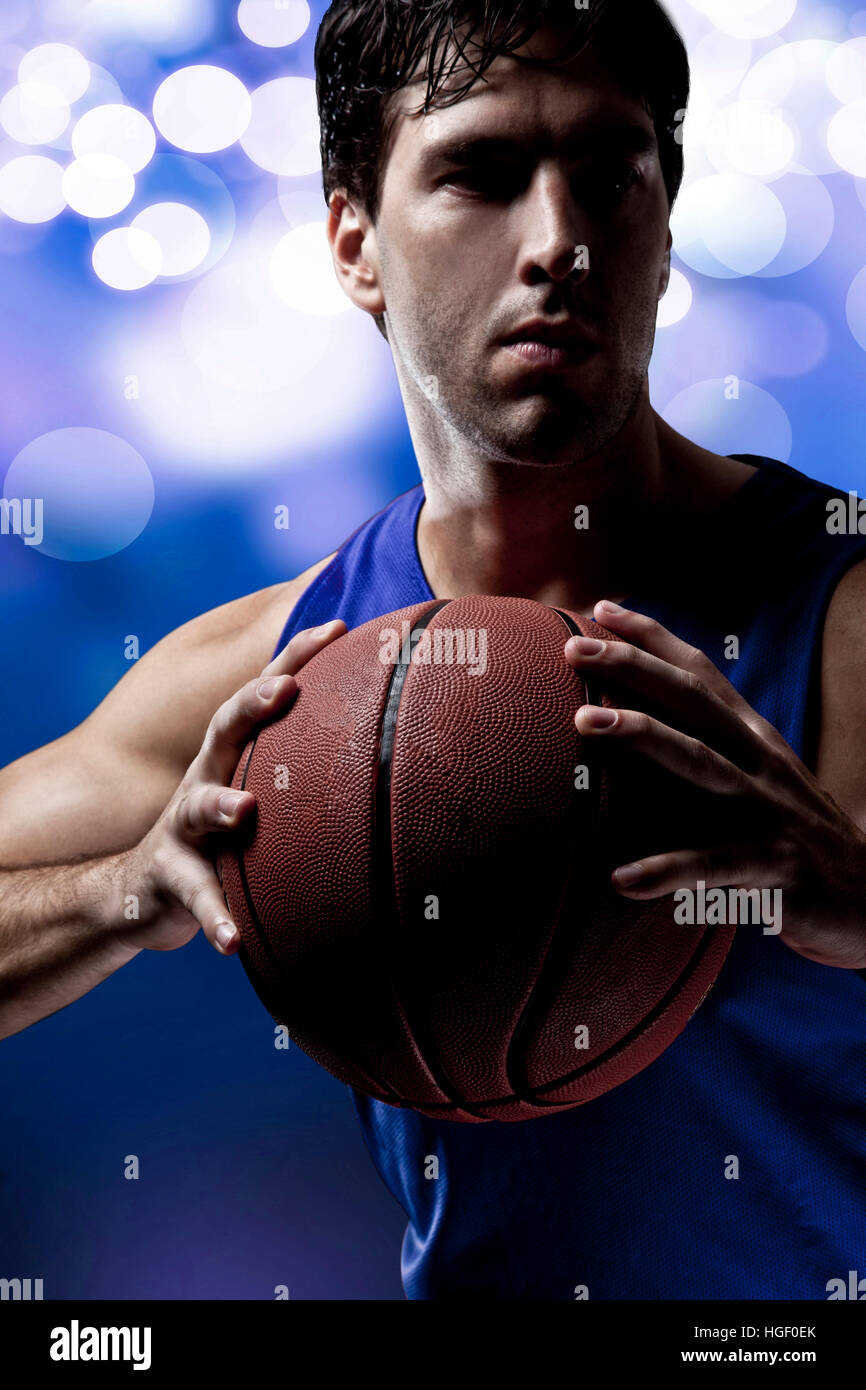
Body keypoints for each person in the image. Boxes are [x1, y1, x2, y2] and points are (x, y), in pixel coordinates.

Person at [2, 0, 865, 1299]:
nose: (557, 242)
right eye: (480, 172)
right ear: (353, 239)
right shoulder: (279, 670)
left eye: (607, 170)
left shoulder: (837, 611)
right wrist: (123, 891)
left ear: (663, 223)